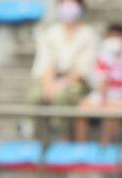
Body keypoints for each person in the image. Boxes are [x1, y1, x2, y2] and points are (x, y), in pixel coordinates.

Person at [31, 0, 100, 140]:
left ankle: (63, 140)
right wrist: (48, 85)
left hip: (78, 83)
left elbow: (83, 69)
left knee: (62, 96)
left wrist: (60, 84)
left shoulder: (89, 34)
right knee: (35, 96)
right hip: (51, 80)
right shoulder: (51, 33)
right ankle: (40, 140)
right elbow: (46, 62)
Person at [81, 24, 122, 145]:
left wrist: (115, 102)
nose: (114, 40)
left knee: (111, 111)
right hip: (105, 97)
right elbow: (101, 82)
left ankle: (108, 148)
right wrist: (105, 100)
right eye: (110, 36)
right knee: (82, 107)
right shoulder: (102, 57)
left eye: (117, 36)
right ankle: (81, 147)